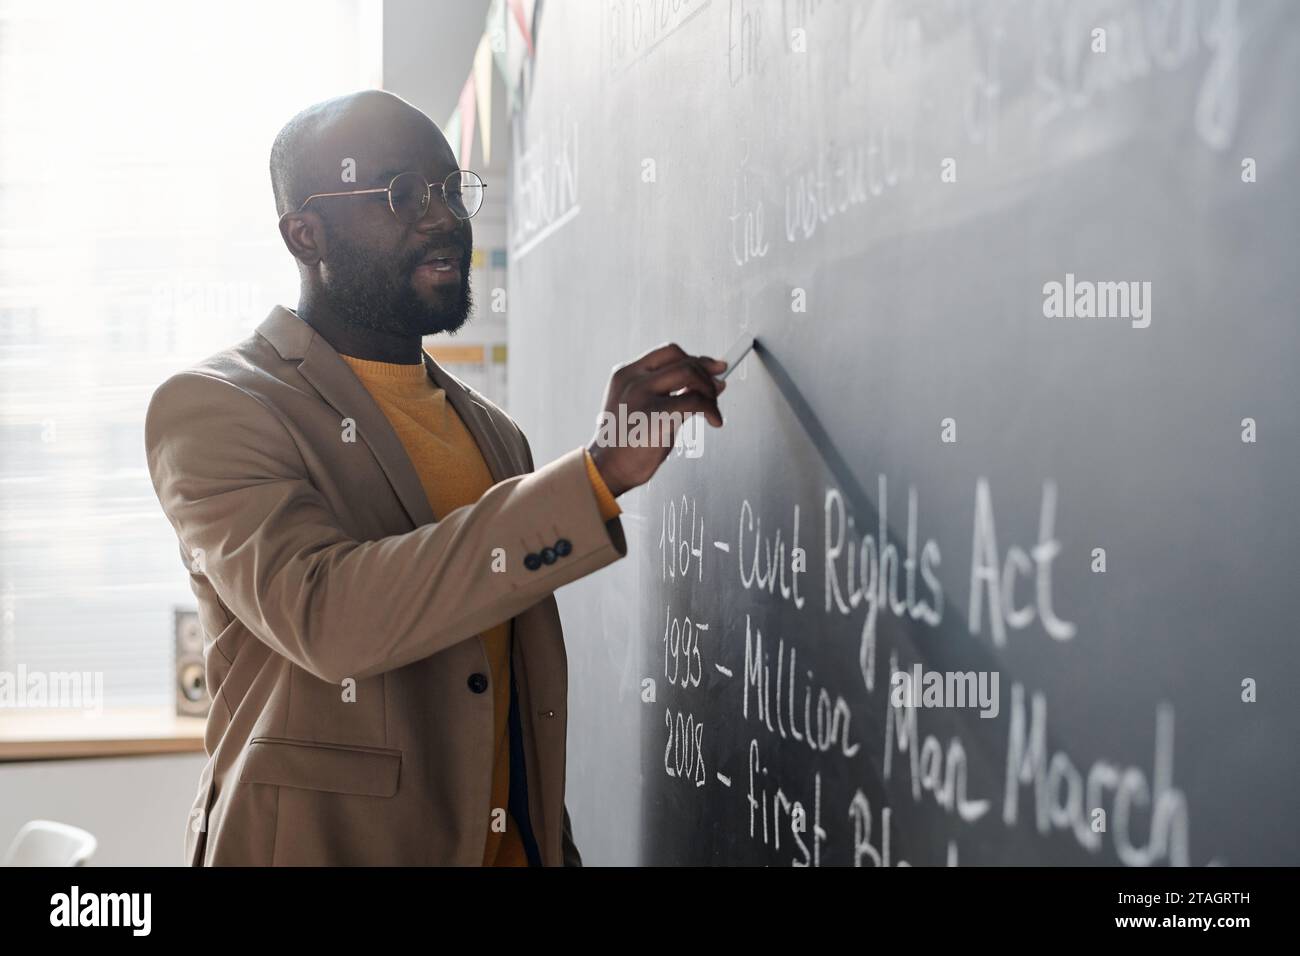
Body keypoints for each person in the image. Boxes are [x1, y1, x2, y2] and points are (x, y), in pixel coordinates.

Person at [144, 90, 726, 865]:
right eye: (401, 193)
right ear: (304, 233)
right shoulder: (214, 409)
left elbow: (511, 696)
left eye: (451, 189)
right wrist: (592, 479)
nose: (443, 216)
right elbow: (328, 616)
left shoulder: (493, 433)